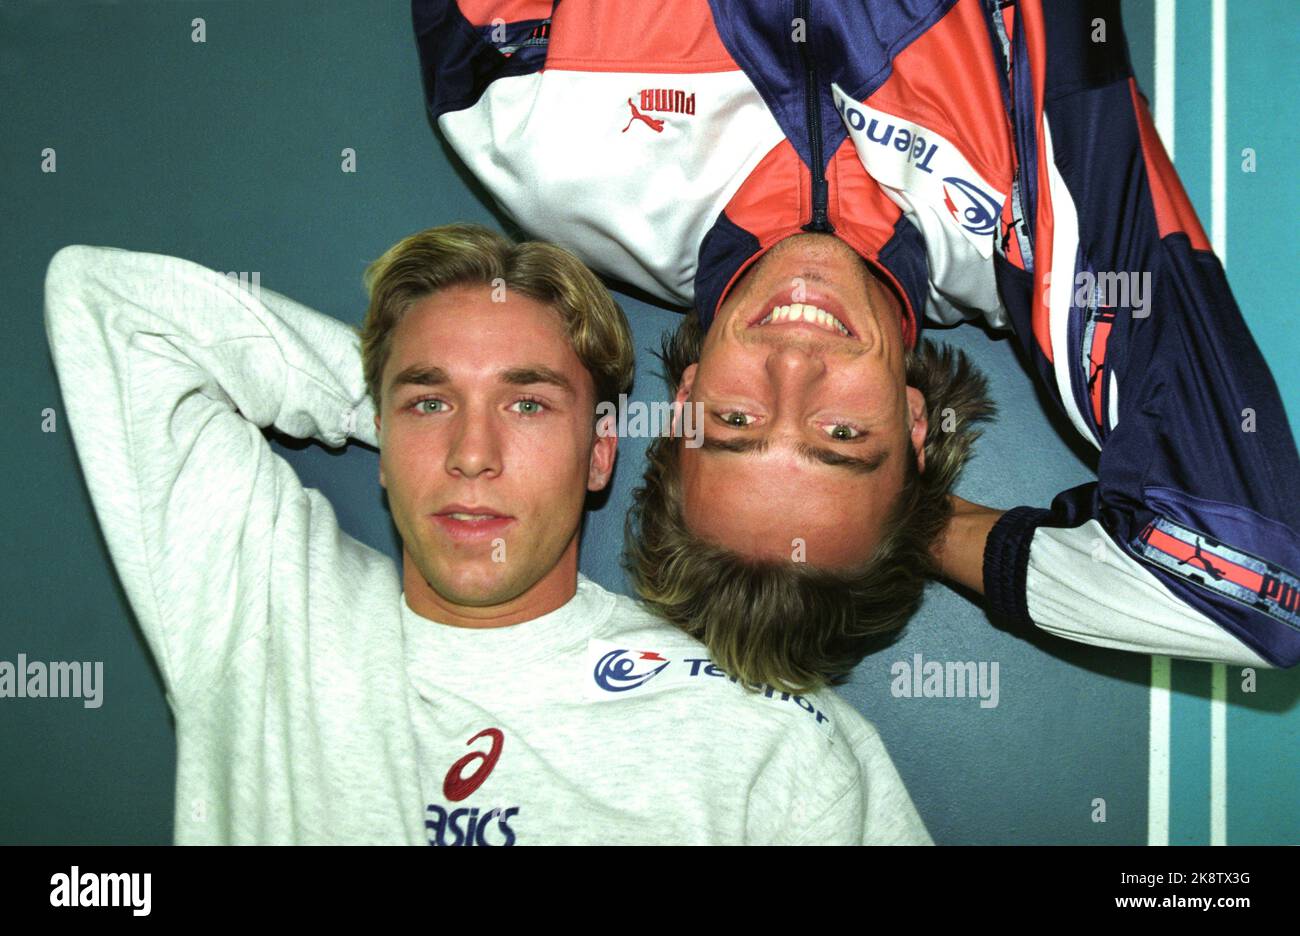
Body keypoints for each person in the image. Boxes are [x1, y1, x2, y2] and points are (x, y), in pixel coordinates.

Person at [411, 0, 1300, 691]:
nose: (794, 367)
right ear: (917, 429)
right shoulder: (1050, 235)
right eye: (842, 439)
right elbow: (1257, 592)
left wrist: (880, 502)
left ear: (681, 398)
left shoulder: (531, 133)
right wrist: (921, 528)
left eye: (734, 421)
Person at [43, 223, 932, 844]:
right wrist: (387, 402)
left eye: (528, 404)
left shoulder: (771, 742)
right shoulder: (262, 613)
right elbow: (108, 302)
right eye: (431, 404)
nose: (472, 454)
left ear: (599, 454)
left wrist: (418, 403)